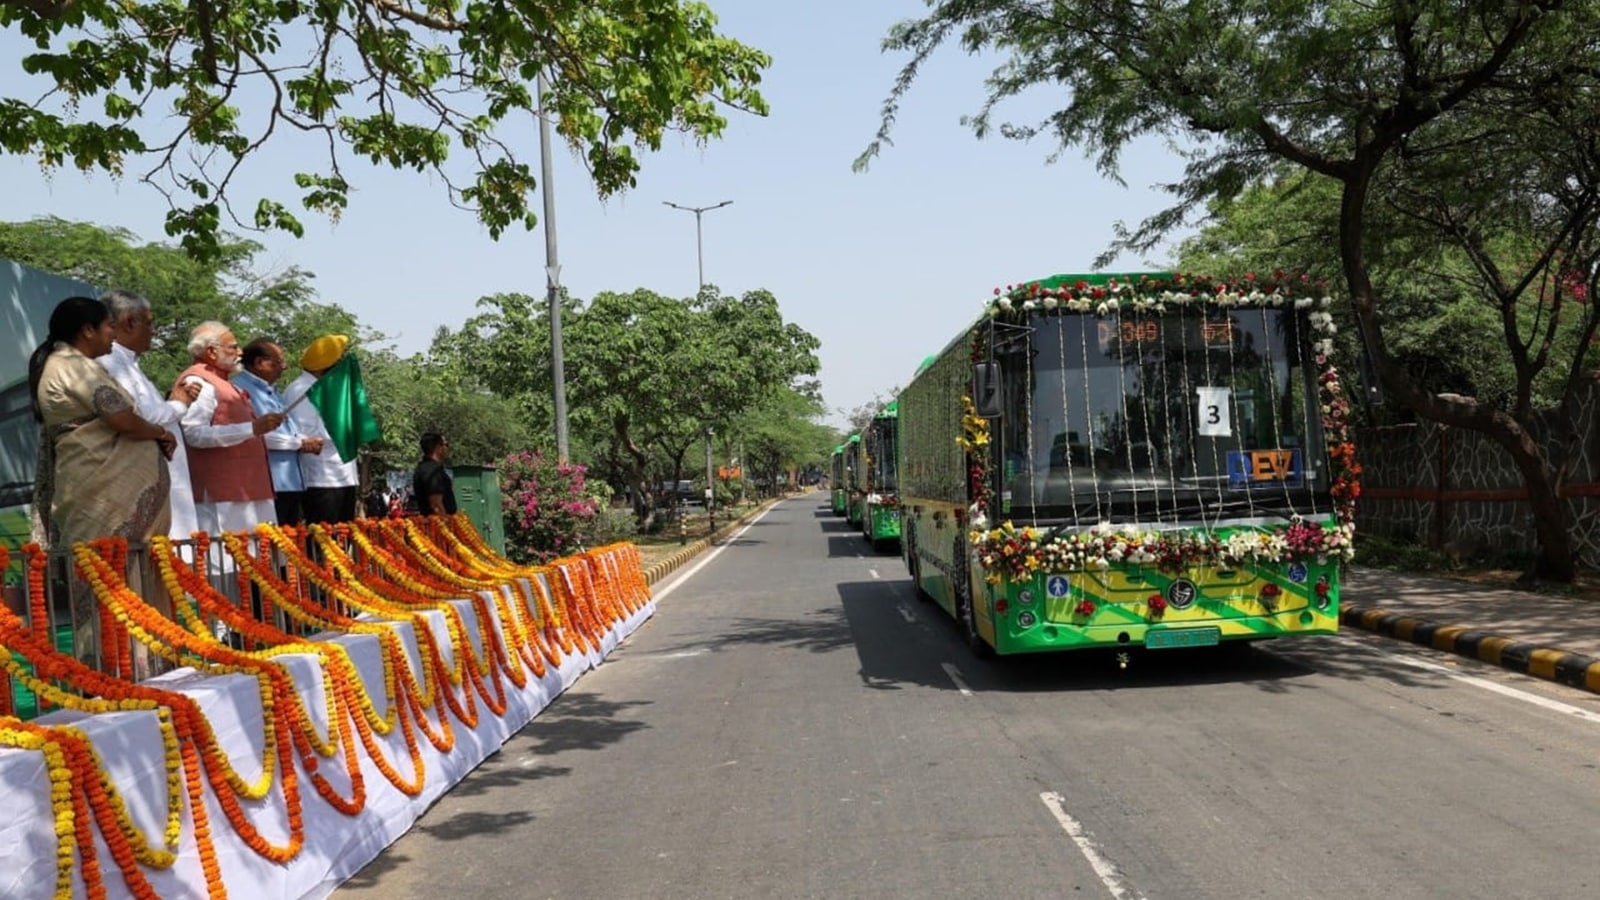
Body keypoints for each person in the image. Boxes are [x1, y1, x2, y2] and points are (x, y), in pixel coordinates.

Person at [29, 296, 175, 664]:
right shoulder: (70, 366)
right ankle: (114, 670)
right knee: (105, 579)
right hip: (96, 492)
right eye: (108, 326)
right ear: (88, 330)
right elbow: (122, 418)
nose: (112, 335)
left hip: (99, 486)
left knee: (130, 575)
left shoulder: (76, 364)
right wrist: (158, 431)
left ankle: (143, 663)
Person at [96, 289, 202, 540]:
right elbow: (142, 415)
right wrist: (180, 403)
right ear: (129, 323)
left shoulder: (128, 363)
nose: (154, 331)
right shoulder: (111, 361)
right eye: (150, 323)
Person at [177, 321, 284, 534]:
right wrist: (251, 428)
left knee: (259, 558)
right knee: (229, 560)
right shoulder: (199, 381)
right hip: (223, 494)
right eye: (233, 347)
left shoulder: (225, 382)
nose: (240, 352)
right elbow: (194, 434)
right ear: (211, 352)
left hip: (249, 488)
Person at [234, 338, 323, 526]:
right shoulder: (239, 390)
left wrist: (303, 439)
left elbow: (287, 429)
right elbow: (253, 434)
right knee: (270, 544)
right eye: (279, 361)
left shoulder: (272, 390)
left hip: (290, 481)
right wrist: (300, 444)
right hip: (267, 482)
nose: (284, 367)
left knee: (289, 543)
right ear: (260, 363)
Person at [284, 334, 362, 524]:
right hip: (322, 478)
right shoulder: (302, 390)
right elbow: (306, 434)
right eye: (339, 360)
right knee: (325, 541)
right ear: (325, 364)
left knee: (342, 538)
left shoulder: (326, 387)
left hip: (341, 474)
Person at [412, 432, 457, 515]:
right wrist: (446, 525)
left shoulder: (425, 468)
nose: (447, 448)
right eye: (446, 445)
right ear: (438, 447)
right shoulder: (431, 471)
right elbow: (436, 505)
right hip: (437, 524)